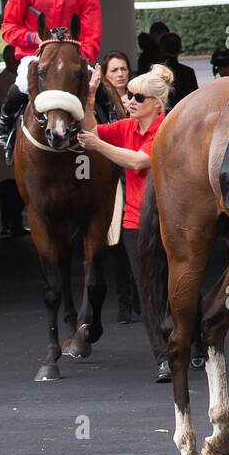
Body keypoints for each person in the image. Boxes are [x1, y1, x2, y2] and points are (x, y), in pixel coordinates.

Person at [76, 63, 175, 382]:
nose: (130, 100)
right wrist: (90, 96)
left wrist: (98, 146)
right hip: (135, 220)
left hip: (170, 219)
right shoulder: (126, 127)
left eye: (138, 97)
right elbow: (90, 132)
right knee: (148, 288)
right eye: (129, 95)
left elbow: (138, 161)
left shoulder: (165, 128)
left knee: (175, 286)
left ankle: (193, 343)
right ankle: (163, 358)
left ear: (156, 104)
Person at [0, 0, 105, 163]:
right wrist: (34, 38)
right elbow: (8, 28)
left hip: (73, 59)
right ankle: (5, 126)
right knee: (21, 86)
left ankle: (113, 128)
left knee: (101, 90)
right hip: (34, 55)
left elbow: (92, 41)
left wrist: (71, 56)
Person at [97, 51, 142, 325]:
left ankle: (141, 299)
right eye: (114, 70)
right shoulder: (101, 99)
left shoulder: (140, 96)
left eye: (123, 69)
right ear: (105, 73)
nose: (120, 74)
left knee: (139, 237)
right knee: (117, 241)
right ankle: (125, 302)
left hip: (138, 171)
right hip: (113, 175)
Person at [0, 45, 27, 238]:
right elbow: (1, 105)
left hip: (24, 136)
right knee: (7, 182)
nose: (17, 62)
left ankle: (17, 223)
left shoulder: (27, 81)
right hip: (6, 136)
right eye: (14, 58)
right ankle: (7, 223)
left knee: (22, 181)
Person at [159, 32, 198, 108]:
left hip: (159, 115)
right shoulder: (188, 72)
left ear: (161, 48)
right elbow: (194, 99)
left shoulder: (153, 71)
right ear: (179, 49)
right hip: (182, 115)